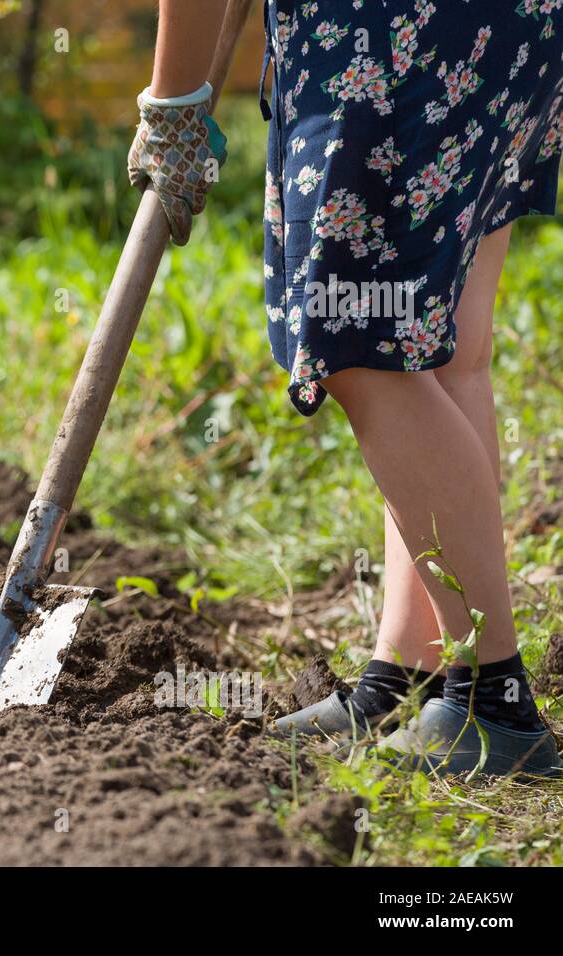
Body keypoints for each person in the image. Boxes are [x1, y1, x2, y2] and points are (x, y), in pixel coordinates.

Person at [129, 0, 563, 776]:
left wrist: (174, 103)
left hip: (389, 39)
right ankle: (414, 672)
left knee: (361, 339)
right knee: (442, 347)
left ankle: (494, 700)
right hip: (502, 28)